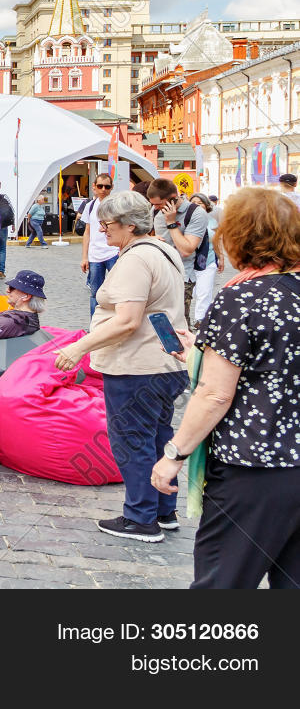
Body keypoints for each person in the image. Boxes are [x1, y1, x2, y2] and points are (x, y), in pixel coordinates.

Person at [151, 187, 300, 588]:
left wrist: (174, 453)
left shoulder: (241, 298)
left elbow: (216, 393)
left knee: (222, 588)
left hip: (254, 468)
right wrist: (200, 354)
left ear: (237, 237)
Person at [52, 190, 187, 543]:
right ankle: (162, 511)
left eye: (107, 224)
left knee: (133, 441)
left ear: (129, 225)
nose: (102, 230)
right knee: (157, 437)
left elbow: (127, 320)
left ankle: (141, 518)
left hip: (136, 366)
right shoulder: (164, 249)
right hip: (164, 362)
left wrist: (79, 347)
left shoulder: (135, 259)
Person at [147, 176, 210, 332]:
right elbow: (143, 235)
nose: (155, 208)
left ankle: (183, 354)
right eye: (153, 204)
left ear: (173, 199)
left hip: (182, 276)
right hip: (157, 274)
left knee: (179, 324)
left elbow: (186, 249)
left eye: (159, 204)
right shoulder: (155, 210)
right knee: (156, 322)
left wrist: (171, 223)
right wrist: (151, 238)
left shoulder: (196, 213)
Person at [78, 173, 118, 320]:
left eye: (107, 187)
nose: (103, 189)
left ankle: (116, 322)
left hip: (114, 252)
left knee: (117, 290)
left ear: (111, 188)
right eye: (100, 186)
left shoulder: (116, 206)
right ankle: (95, 325)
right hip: (95, 255)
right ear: (94, 187)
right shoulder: (90, 206)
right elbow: (87, 232)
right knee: (95, 293)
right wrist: (84, 257)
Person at [189, 192, 225, 326]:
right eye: (194, 203)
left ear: (206, 206)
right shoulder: (184, 220)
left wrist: (221, 257)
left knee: (205, 291)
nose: (197, 206)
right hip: (188, 261)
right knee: (189, 292)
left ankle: (200, 319)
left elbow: (216, 240)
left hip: (208, 260)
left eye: (200, 203)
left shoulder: (213, 222)